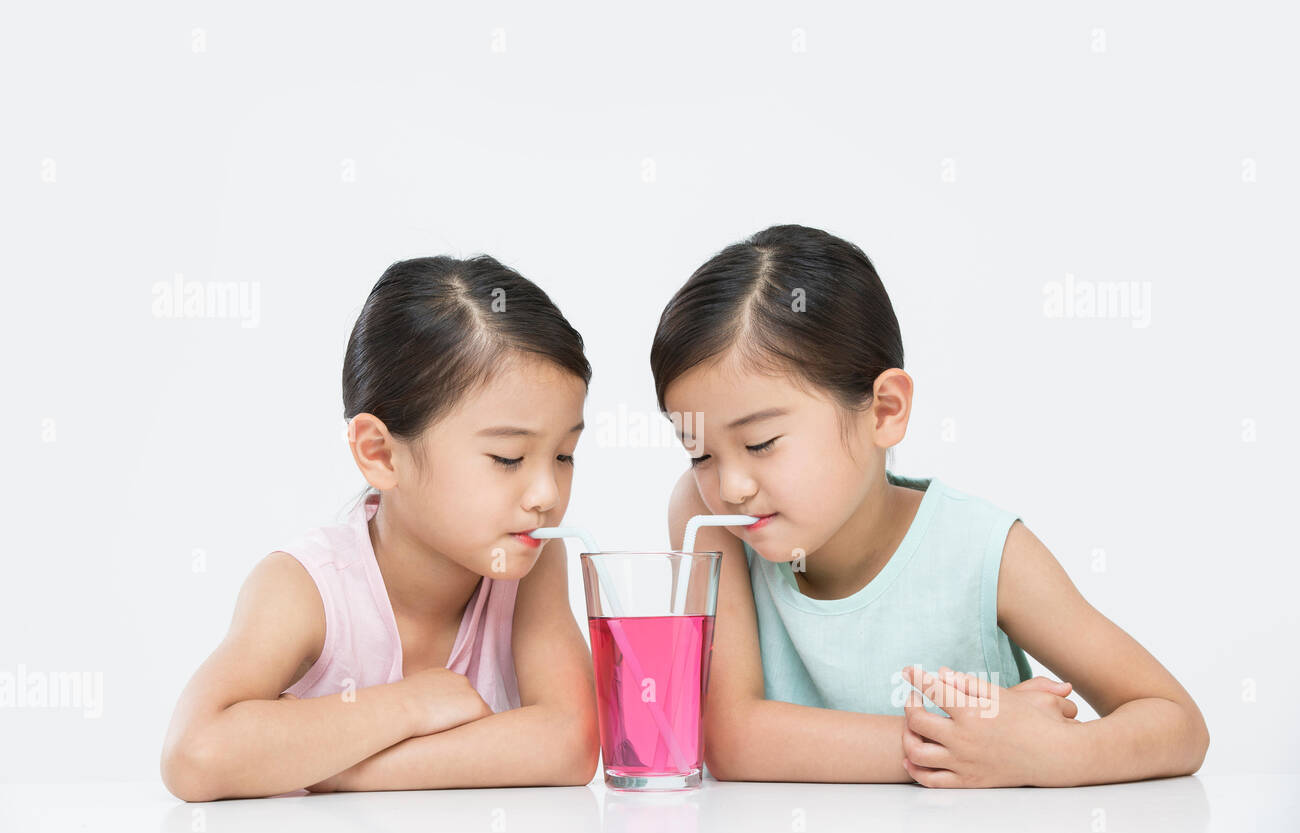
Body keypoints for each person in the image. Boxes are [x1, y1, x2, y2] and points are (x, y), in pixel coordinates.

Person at [653, 223, 1209, 787]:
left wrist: (1050, 754)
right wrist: (965, 747)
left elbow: (1178, 722)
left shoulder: (983, 552)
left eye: (760, 444)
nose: (731, 486)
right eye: (698, 452)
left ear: (884, 410)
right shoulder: (712, 524)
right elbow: (733, 740)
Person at [162, 254, 599, 801]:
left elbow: (572, 742)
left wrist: (332, 768)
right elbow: (195, 754)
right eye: (508, 457)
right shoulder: (305, 587)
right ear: (381, 455)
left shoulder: (531, 562)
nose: (547, 496)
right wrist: (413, 703)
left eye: (564, 455)